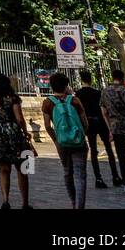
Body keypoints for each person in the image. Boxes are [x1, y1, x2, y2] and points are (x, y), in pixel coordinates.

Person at [42, 73, 90, 209]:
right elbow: (85, 123)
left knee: (67, 172)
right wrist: (81, 134)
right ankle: (80, 206)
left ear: (51, 86)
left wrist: (56, 140)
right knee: (80, 174)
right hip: (78, 141)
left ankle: (73, 201)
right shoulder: (75, 101)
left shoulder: (48, 102)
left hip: (62, 143)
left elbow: (47, 125)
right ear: (66, 85)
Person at [0, 73, 34, 208]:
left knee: (3, 169)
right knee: (22, 169)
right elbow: (19, 118)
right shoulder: (12, 98)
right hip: (14, 134)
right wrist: (25, 132)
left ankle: (5, 201)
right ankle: (25, 202)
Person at [75, 70, 121, 189]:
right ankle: (115, 176)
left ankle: (98, 178)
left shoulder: (78, 94)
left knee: (93, 151)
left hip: (88, 123)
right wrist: (109, 126)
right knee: (109, 149)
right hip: (100, 122)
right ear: (91, 79)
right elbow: (104, 109)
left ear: (81, 80)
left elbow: (78, 112)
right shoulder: (98, 93)